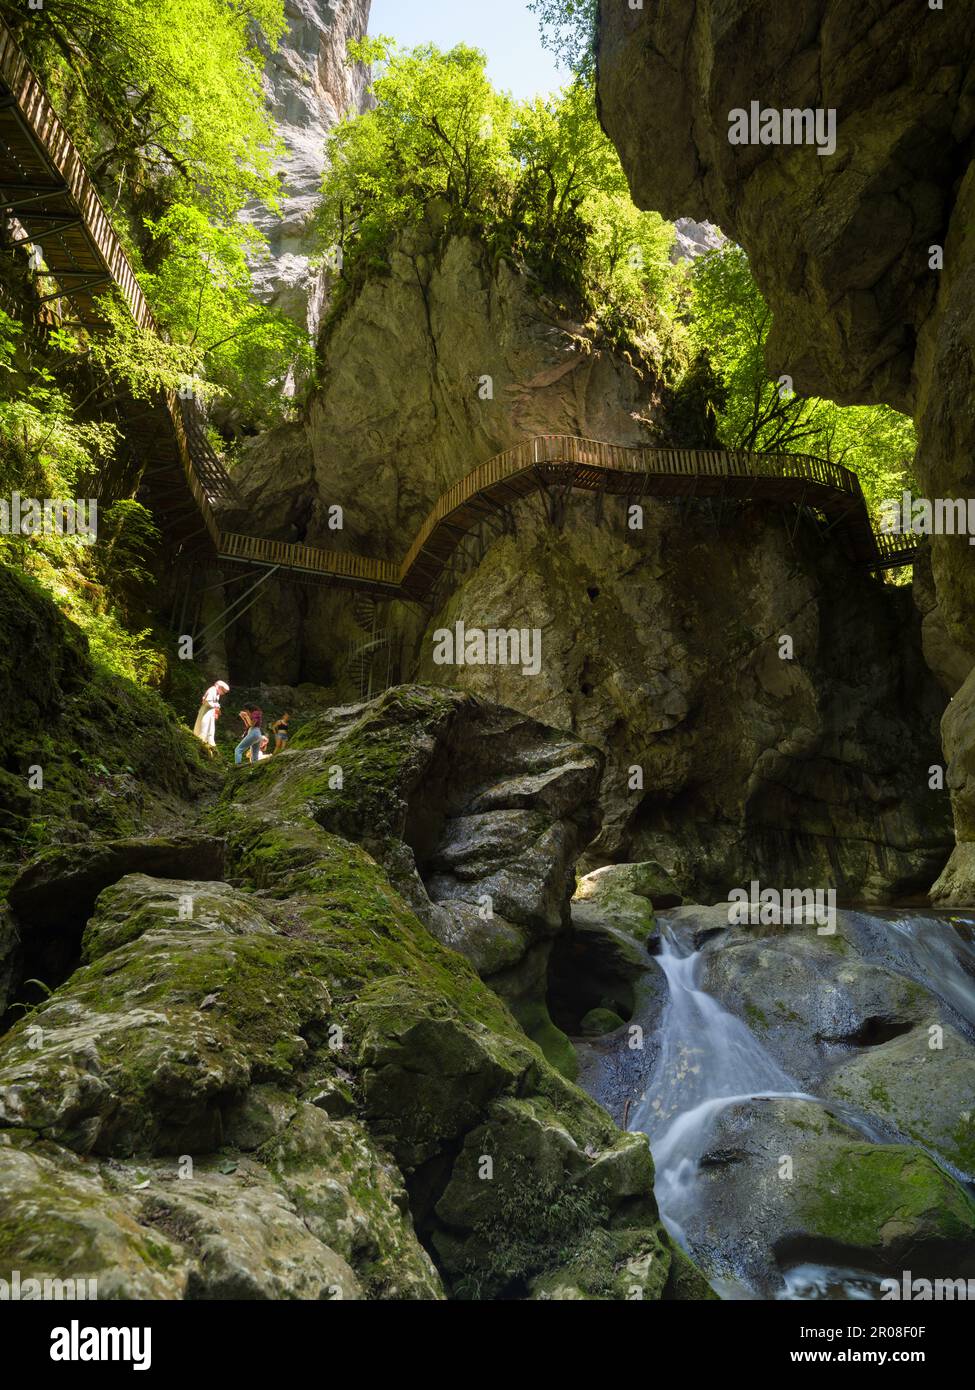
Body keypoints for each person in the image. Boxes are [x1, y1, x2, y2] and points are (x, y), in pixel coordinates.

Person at [192, 680, 229, 747]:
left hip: (211, 712)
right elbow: (207, 702)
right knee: (204, 725)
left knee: (211, 727)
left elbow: (214, 702)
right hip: (206, 711)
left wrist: (216, 706)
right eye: (223, 691)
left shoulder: (217, 693)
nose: (223, 694)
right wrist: (216, 705)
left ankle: (209, 741)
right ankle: (201, 740)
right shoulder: (212, 690)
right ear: (220, 687)